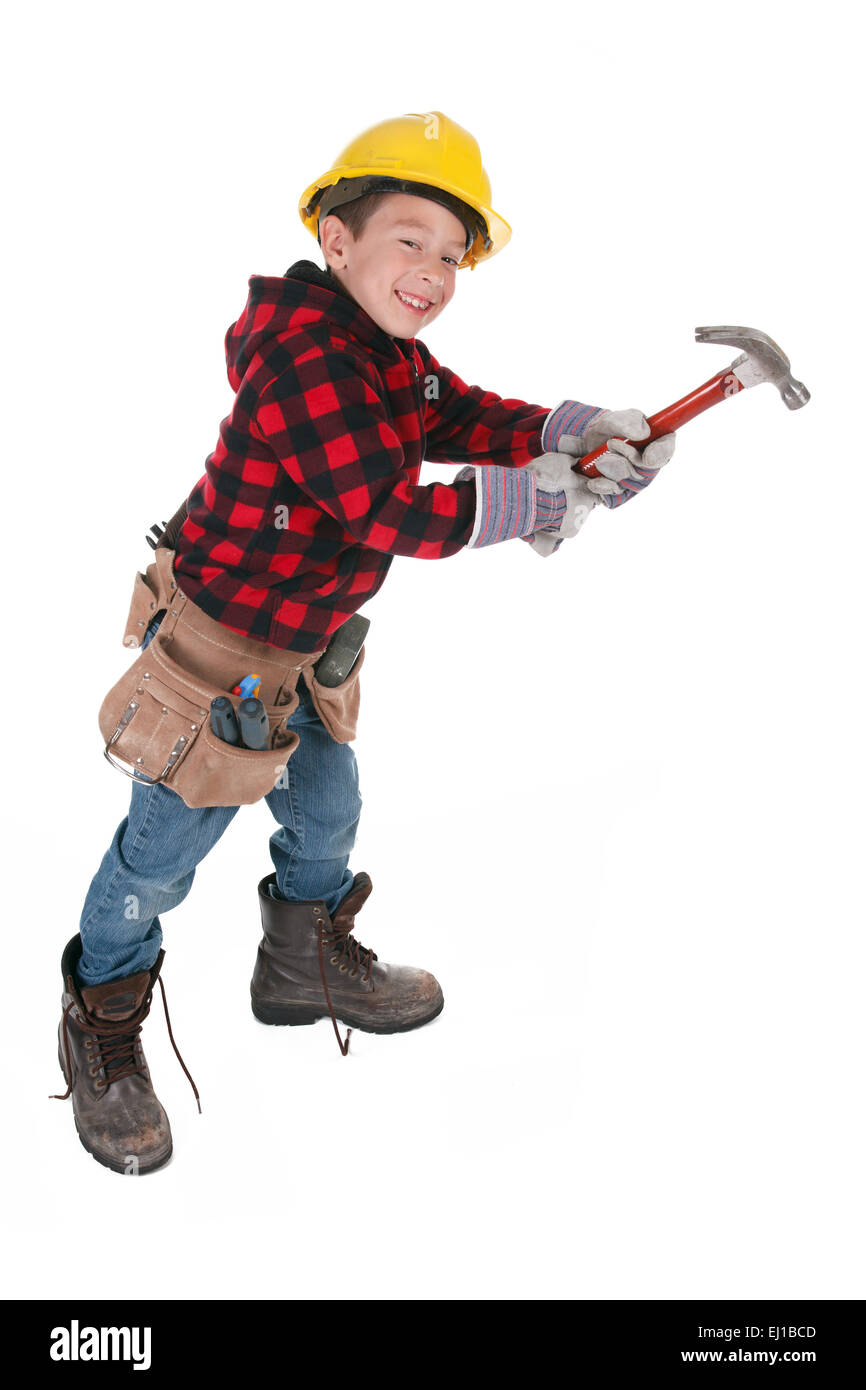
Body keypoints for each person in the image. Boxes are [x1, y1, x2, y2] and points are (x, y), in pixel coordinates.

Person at [52, 111, 676, 1174]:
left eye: (450, 254)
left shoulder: (387, 355)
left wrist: (563, 431)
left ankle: (301, 964)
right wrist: (529, 501)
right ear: (336, 242)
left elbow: (461, 412)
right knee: (161, 859)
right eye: (408, 239)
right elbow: (378, 508)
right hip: (213, 655)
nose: (432, 271)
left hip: (297, 650)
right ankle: (101, 1015)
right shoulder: (304, 360)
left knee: (328, 808)